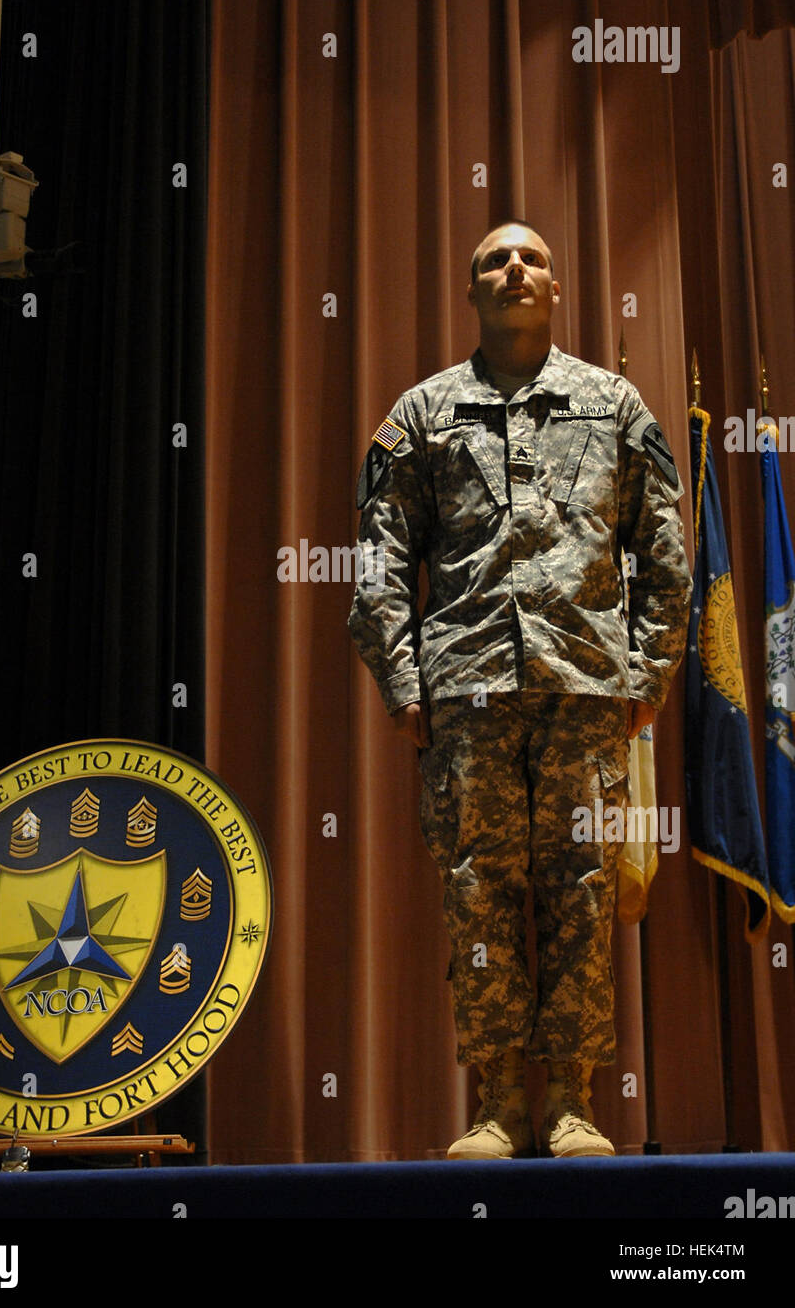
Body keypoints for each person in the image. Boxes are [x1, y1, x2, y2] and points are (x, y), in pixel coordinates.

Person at [348, 221, 691, 1158]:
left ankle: (572, 1100)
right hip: (466, 696)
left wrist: (652, 673)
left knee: (579, 891)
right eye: (494, 261)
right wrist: (403, 681)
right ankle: (497, 1099)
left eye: (531, 258)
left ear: (555, 284)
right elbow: (376, 561)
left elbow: (665, 551)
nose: (513, 270)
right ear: (470, 294)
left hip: (586, 691)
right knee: (480, 896)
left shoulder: (614, 404)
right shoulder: (423, 414)